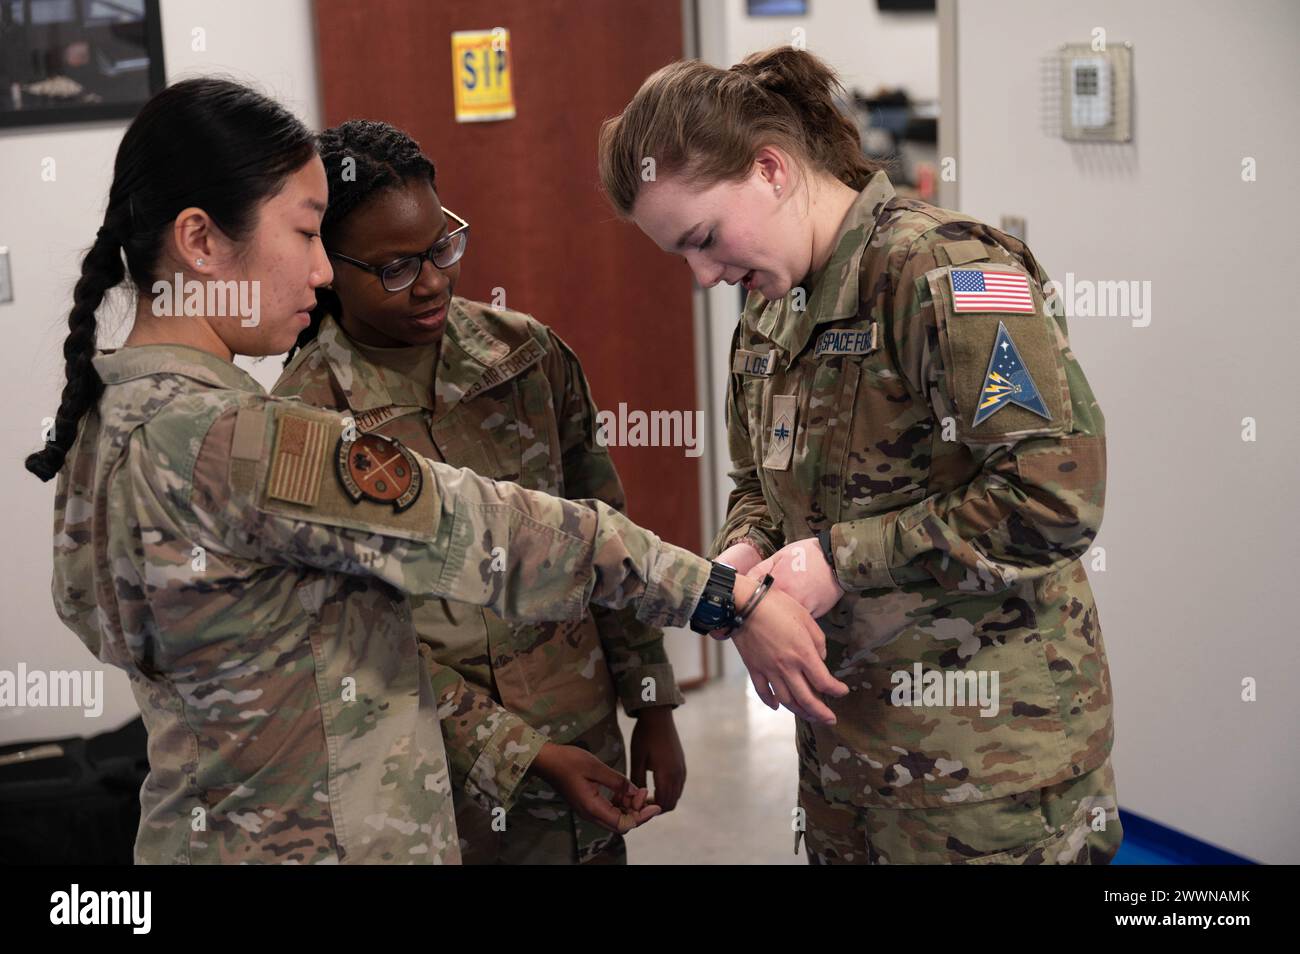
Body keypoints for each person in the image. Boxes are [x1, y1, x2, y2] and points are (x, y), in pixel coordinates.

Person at [26, 77, 846, 864]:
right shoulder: (242, 441)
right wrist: (724, 597)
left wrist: (644, 694)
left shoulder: (101, 426)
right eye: (306, 233)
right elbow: (498, 530)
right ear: (201, 240)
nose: (318, 271)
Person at [598, 47, 1121, 864]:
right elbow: (758, 485)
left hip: (988, 776)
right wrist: (747, 552)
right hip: (848, 764)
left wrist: (838, 559)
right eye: (681, 256)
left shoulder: (945, 272)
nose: (703, 277)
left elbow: (1055, 499)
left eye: (704, 238)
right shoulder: (771, 310)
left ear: (770, 168)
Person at [274, 119, 685, 865]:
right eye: (394, 267)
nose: (430, 280)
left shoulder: (524, 355)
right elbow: (350, 642)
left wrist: (651, 700)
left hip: (586, 737)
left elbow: (604, 533)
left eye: (441, 246)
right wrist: (525, 756)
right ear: (330, 267)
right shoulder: (306, 421)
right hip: (441, 782)